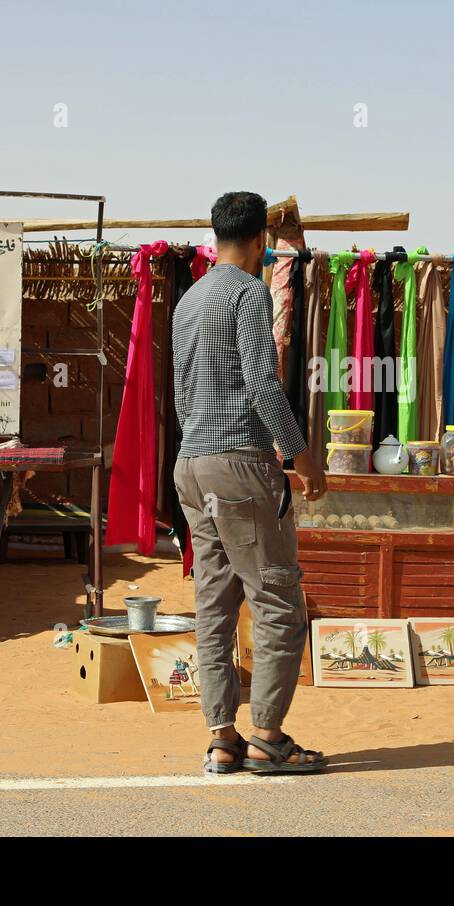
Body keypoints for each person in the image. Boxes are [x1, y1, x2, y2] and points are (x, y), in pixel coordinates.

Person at [172, 191, 328, 775]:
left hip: (192, 465)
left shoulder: (188, 301)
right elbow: (264, 387)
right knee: (278, 599)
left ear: (216, 236)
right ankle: (267, 738)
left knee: (213, 606)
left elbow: (182, 393)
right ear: (260, 242)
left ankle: (222, 739)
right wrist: (302, 456)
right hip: (238, 462)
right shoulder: (249, 293)